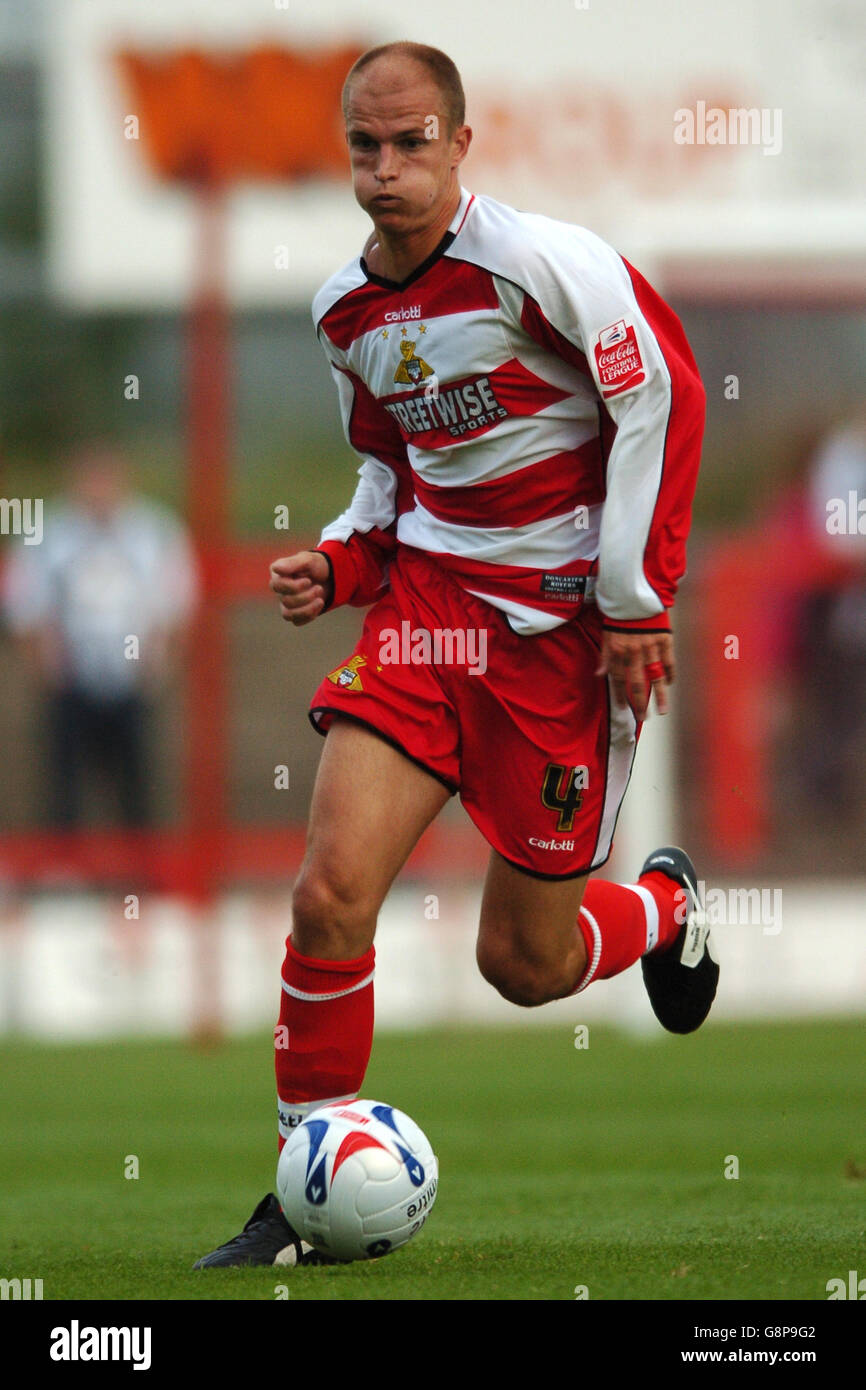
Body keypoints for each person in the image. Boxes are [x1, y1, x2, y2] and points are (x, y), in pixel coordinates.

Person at [194, 40, 718, 1270]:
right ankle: (299, 1181)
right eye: (364, 148)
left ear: (460, 145)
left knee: (521, 965)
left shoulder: (542, 266)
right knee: (327, 894)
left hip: (557, 649)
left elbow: (664, 397)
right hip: (427, 622)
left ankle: (659, 907)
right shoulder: (346, 313)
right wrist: (338, 562)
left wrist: (635, 599)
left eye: (411, 142)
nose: (387, 170)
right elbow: (388, 475)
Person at [2, 443, 198, 827]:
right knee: (63, 786)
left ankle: (140, 870)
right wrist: (46, 667)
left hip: (133, 682)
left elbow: (176, 604)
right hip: (69, 682)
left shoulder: (155, 531)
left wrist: (157, 667)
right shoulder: (46, 532)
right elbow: (24, 605)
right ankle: (64, 872)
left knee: (137, 783)